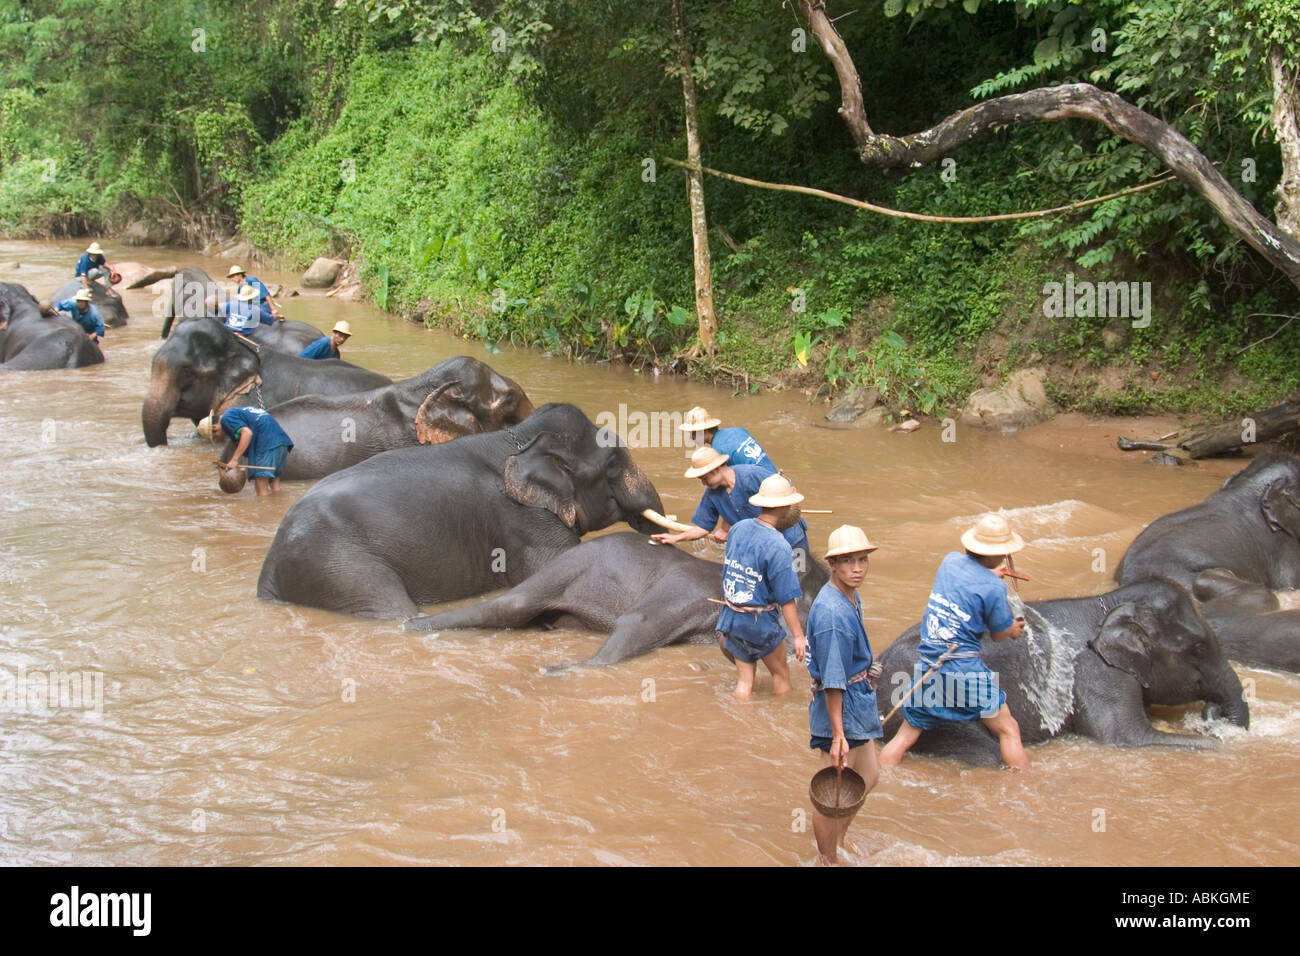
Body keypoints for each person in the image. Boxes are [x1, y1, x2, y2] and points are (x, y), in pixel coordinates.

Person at [878, 513, 1030, 770]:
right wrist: (1014, 629)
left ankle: (880, 777)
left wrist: (990, 575)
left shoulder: (950, 562)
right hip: (964, 671)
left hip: (929, 666)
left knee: (905, 736)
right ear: (1000, 554)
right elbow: (998, 634)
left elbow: (968, 583)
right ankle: (1026, 787)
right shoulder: (994, 589)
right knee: (1008, 729)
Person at [807, 525, 883, 863]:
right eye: (848, 561)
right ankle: (827, 858)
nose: (858, 568)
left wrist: (867, 670)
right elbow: (834, 681)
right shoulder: (833, 614)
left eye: (863, 560)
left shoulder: (849, 595)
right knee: (832, 791)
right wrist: (838, 735)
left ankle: (837, 841)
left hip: (855, 694)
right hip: (840, 703)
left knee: (869, 776)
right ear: (833, 565)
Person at [713, 473, 808, 699]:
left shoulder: (738, 528)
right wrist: (797, 636)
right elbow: (787, 599)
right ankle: (778, 718)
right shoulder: (779, 546)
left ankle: (741, 724)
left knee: (745, 682)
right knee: (781, 676)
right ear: (785, 507)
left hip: (732, 616)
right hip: (759, 623)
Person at [650, 446, 810, 556]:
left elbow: (789, 491)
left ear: (716, 470)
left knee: (803, 580)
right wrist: (676, 538)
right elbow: (703, 528)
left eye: (704, 478)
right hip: (761, 547)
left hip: (791, 538)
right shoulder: (712, 495)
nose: (703, 483)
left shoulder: (751, 475)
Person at [198, 406, 294, 496]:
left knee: (261, 487)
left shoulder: (226, 419)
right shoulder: (235, 412)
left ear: (214, 428)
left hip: (266, 443)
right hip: (281, 441)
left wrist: (234, 460)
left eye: (214, 436)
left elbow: (247, 433)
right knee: (274, 486)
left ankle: (262, 512)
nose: (217, 438)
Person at [678, 405, 777, 473]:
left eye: (693, 433)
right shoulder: (738, 430)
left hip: (763, 486)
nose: (691, 437)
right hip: (777, 478)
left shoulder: (718, 450)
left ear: (704, 430)